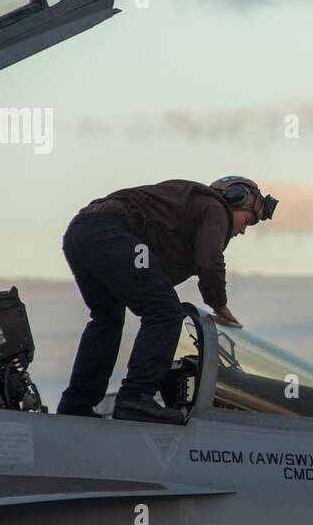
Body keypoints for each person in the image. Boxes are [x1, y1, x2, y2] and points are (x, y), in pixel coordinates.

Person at [56, 176, 276, 424]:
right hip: (112, 232)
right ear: (235, 199)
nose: (242, 230)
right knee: (165, 312)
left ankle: (77, 405)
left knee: (107, 320)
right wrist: (219, 304)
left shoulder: (189, 201)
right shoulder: (216, 209)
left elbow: (156, 270)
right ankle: (136, 397)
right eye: (247, 221)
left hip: (81, 232)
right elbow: (209, 261)